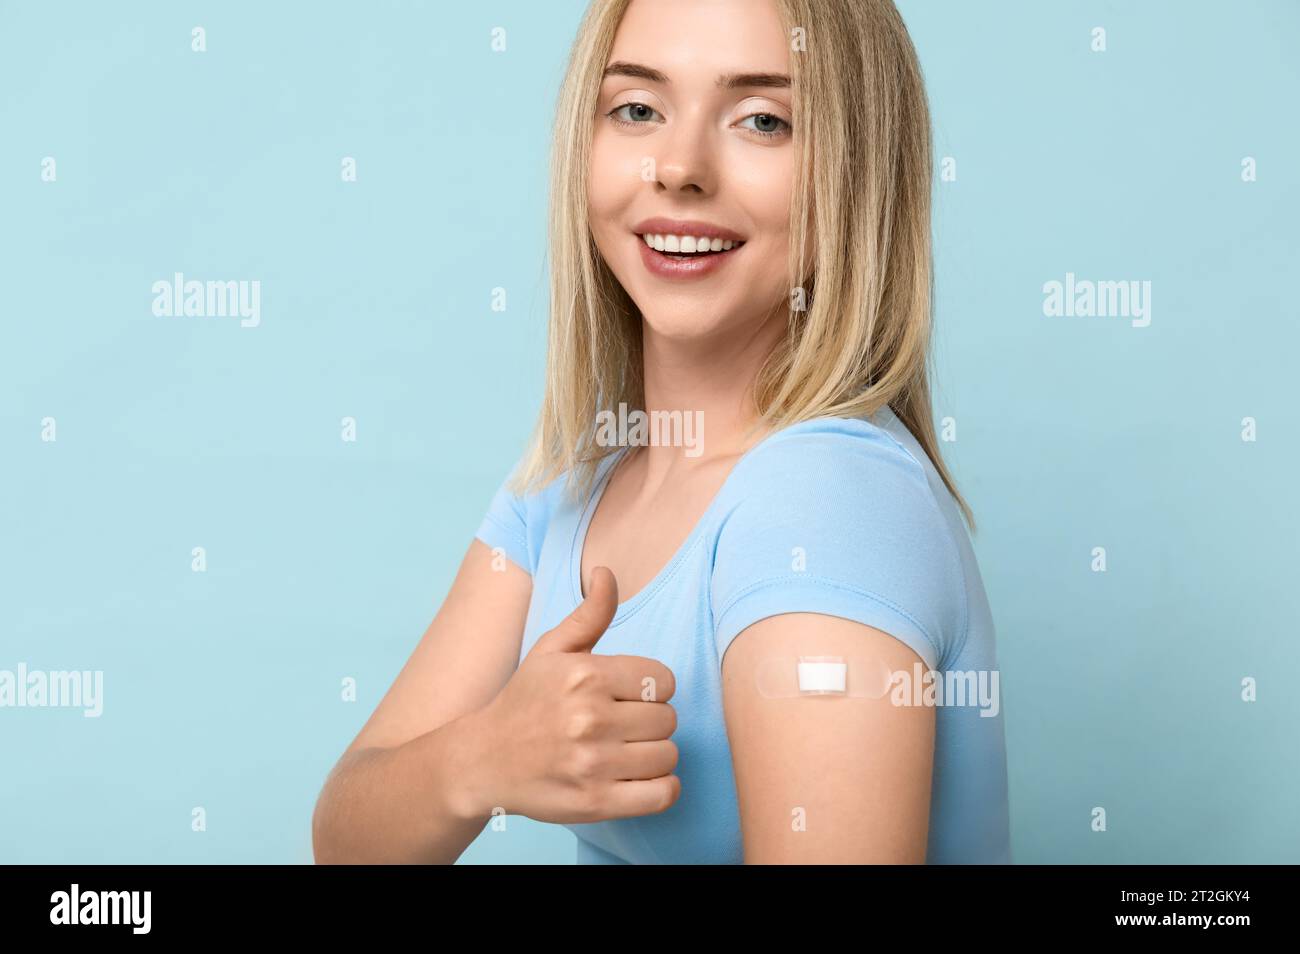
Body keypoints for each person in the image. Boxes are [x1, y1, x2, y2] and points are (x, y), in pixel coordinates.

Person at [313, 0, 1010, 865]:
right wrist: (479, 757)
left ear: (860, 175)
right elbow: (348, 841)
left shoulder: (826, 504)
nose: (679, 167)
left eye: (763, 120)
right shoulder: (565, 490)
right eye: (637, 109)